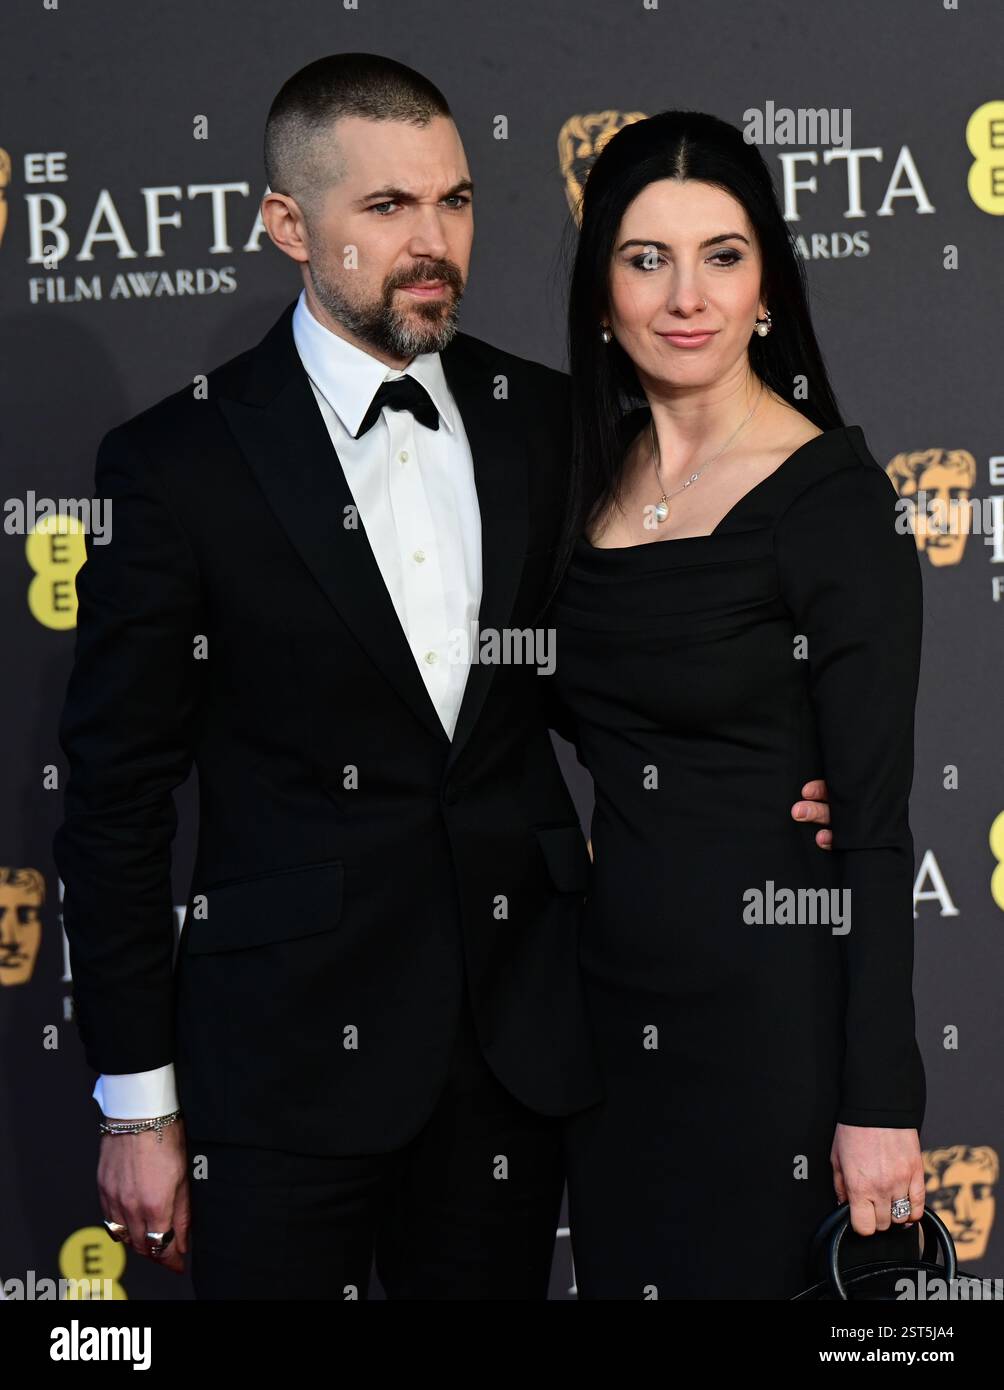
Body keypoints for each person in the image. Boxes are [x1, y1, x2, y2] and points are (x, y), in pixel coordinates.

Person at [52, 59, 831, 1300]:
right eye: (387, 209)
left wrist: (773, 779)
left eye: (455, 202)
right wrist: (136, 1107)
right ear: (288, 225)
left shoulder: (549, 420)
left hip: (513, 1056)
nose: (433, 244)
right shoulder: (176, 462)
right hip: (279, 1066)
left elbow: (618, 681)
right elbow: (114, 799)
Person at [545, 109, 927, 1299]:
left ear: (766, 285)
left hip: (774, 1023)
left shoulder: (829, 504)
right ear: (600, 289)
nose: (684, 296)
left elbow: (868, 828)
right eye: (644, 257)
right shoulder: (570, 486)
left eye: (721, 254)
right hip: (607, 1028)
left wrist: (878, 1104)